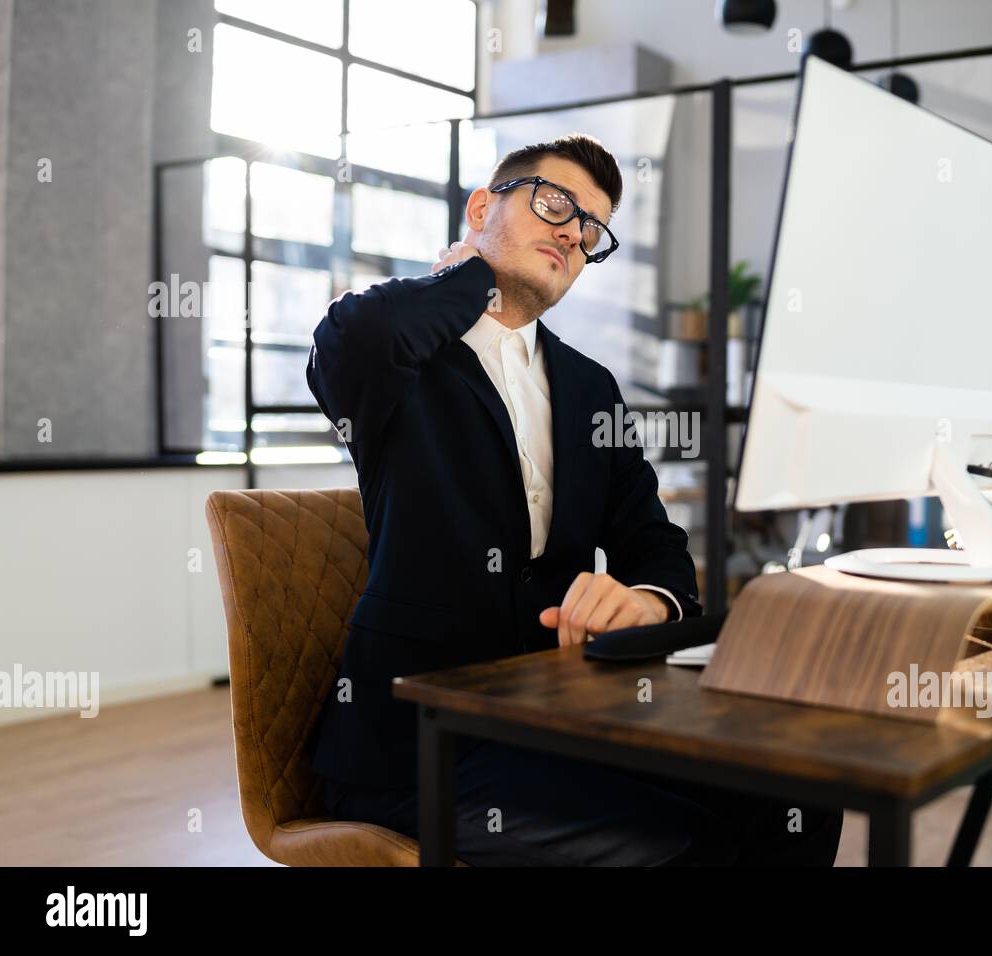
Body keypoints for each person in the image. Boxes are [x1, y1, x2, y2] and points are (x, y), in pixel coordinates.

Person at [304, 134, 842, 865]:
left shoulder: (591, 388)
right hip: (416, 746)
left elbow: (657, 548)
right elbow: (354, 338)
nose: (572, 232)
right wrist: (474, 277)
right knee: (680, 843)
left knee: (801, 796)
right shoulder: (401, 357)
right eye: (554, 204)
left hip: (558, 718)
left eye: (590, 229)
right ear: (480, 206)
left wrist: (646, 602)